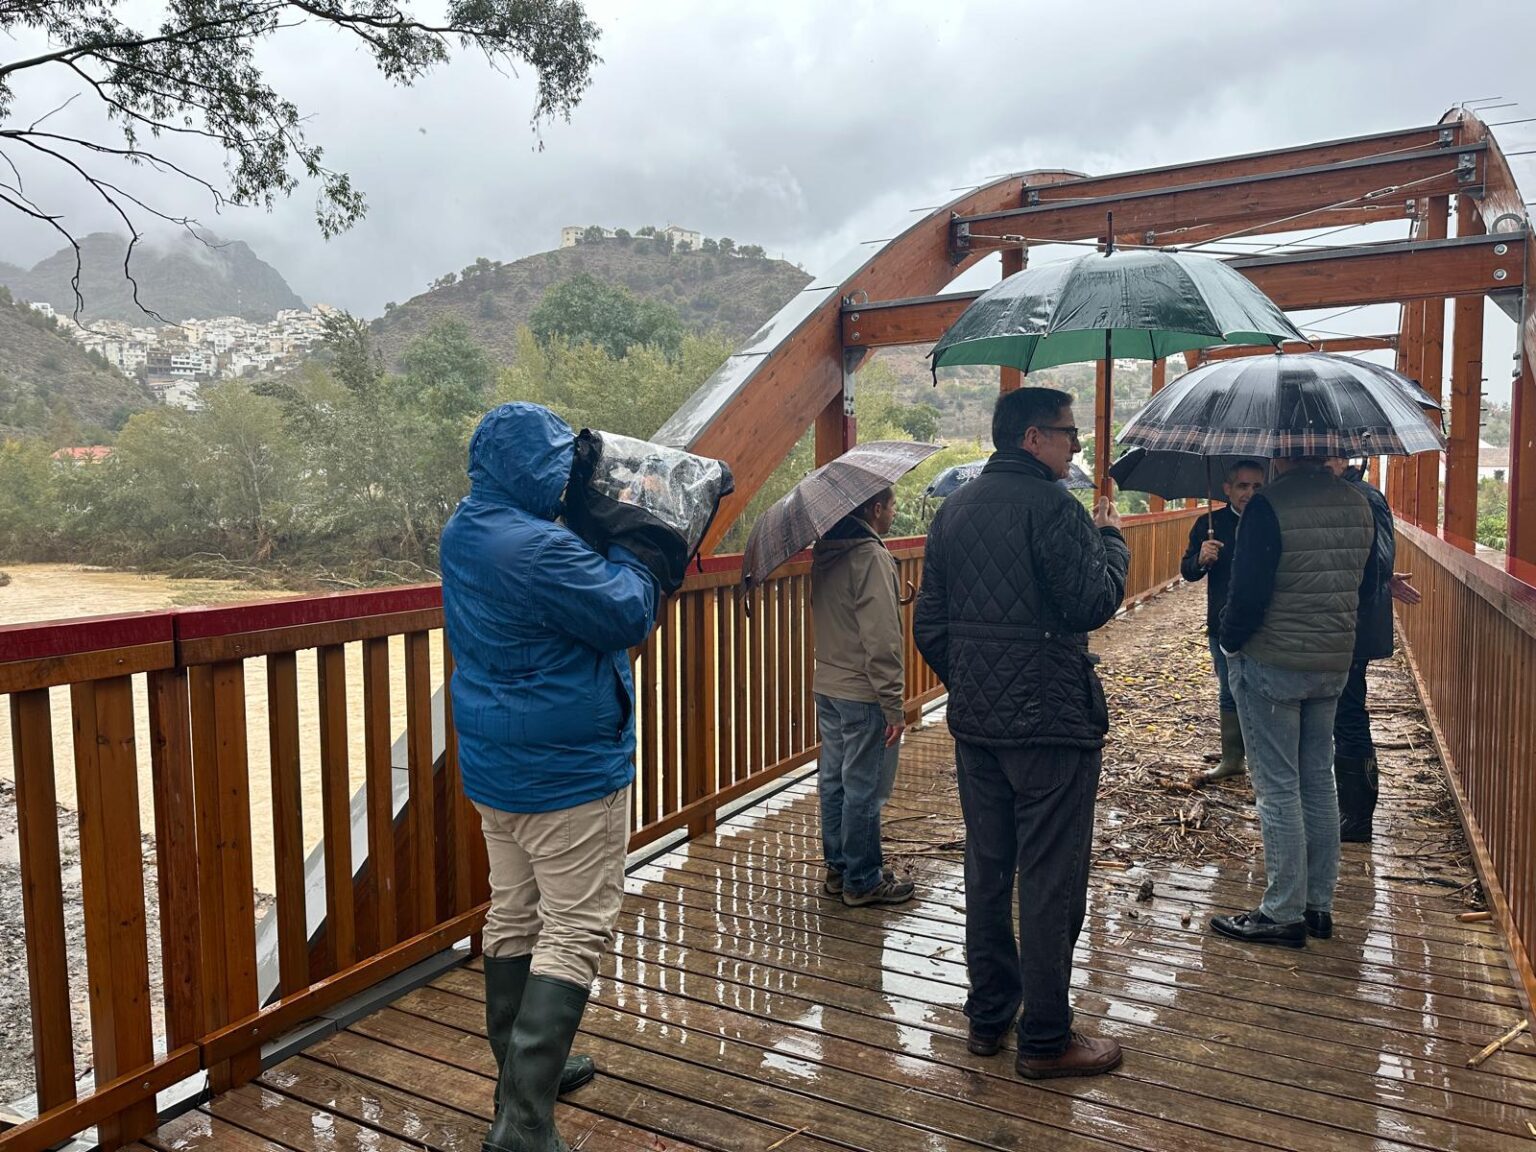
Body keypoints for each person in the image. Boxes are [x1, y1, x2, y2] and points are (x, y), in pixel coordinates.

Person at [440, 402, 663, 1152]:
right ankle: (524, 1121)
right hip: (567, 771)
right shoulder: (538, 550)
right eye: (563, 463)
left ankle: (525, 1072)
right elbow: (627, 613)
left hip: (498, 765)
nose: (573, 474)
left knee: (514, 912)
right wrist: (643, 548)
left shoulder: (468, 527)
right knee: (575, 925)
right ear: (540, 469)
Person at [914, 387, 1130, 1080]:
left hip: (978, 725)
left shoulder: (954, 511)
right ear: (1033, 438)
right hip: (1052, 725)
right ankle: (1045, 1038)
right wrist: (1112, 541)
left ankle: (988, 1017)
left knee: (988, 866)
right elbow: (1092, 603)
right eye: (1069, 435)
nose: (1076, 447)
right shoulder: (1056, 510)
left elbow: (931, 626)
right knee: (1048, 877)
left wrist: (977, 678)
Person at [1213, 454, 1382, 948]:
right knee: (1318, 781)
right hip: (1333, 662)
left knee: (1278, 787)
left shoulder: (1269, 505)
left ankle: (1282, 911)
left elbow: (1247, 594)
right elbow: (1369, 582)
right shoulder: (1359, 502)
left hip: (1273, 662)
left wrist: (1229, 641)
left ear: (1284, 451)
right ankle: (1318, 907)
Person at [811, 486, 914, 907]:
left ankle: (839, 868)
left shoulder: (827, 551)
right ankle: (863, 879)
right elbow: (881, 640)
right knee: (864, 788)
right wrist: (894, 704)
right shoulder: (870, 556)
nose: (894, 512)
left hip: (829, 684)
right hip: (863, 690)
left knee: (834, 780)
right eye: (892, 506)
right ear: (875, 509)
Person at [1325, 457, 1422, 842]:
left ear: (1344, 459)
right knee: (1340, 714)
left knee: (1347, 715)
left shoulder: (1365, 497)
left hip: (1351, 625)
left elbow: (1377, 562)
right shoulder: (1342, 495)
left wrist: (1370, 581)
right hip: (1341, 624)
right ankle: (1347, 809)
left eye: (1328, 455)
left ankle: (1357, 817)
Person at [1180, 460, 1266, 784]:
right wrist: (1201, 559)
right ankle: (1232, 759)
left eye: (1257, 486)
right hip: (1221, 623)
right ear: (1227, 489)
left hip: (1264, 623)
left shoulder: (1272, 520)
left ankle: (1262, 764)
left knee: (1262, 691)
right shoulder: (1209, 524)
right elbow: (1187, 571)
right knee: (1229, 690)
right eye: (1243, 486)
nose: (1250, 493)